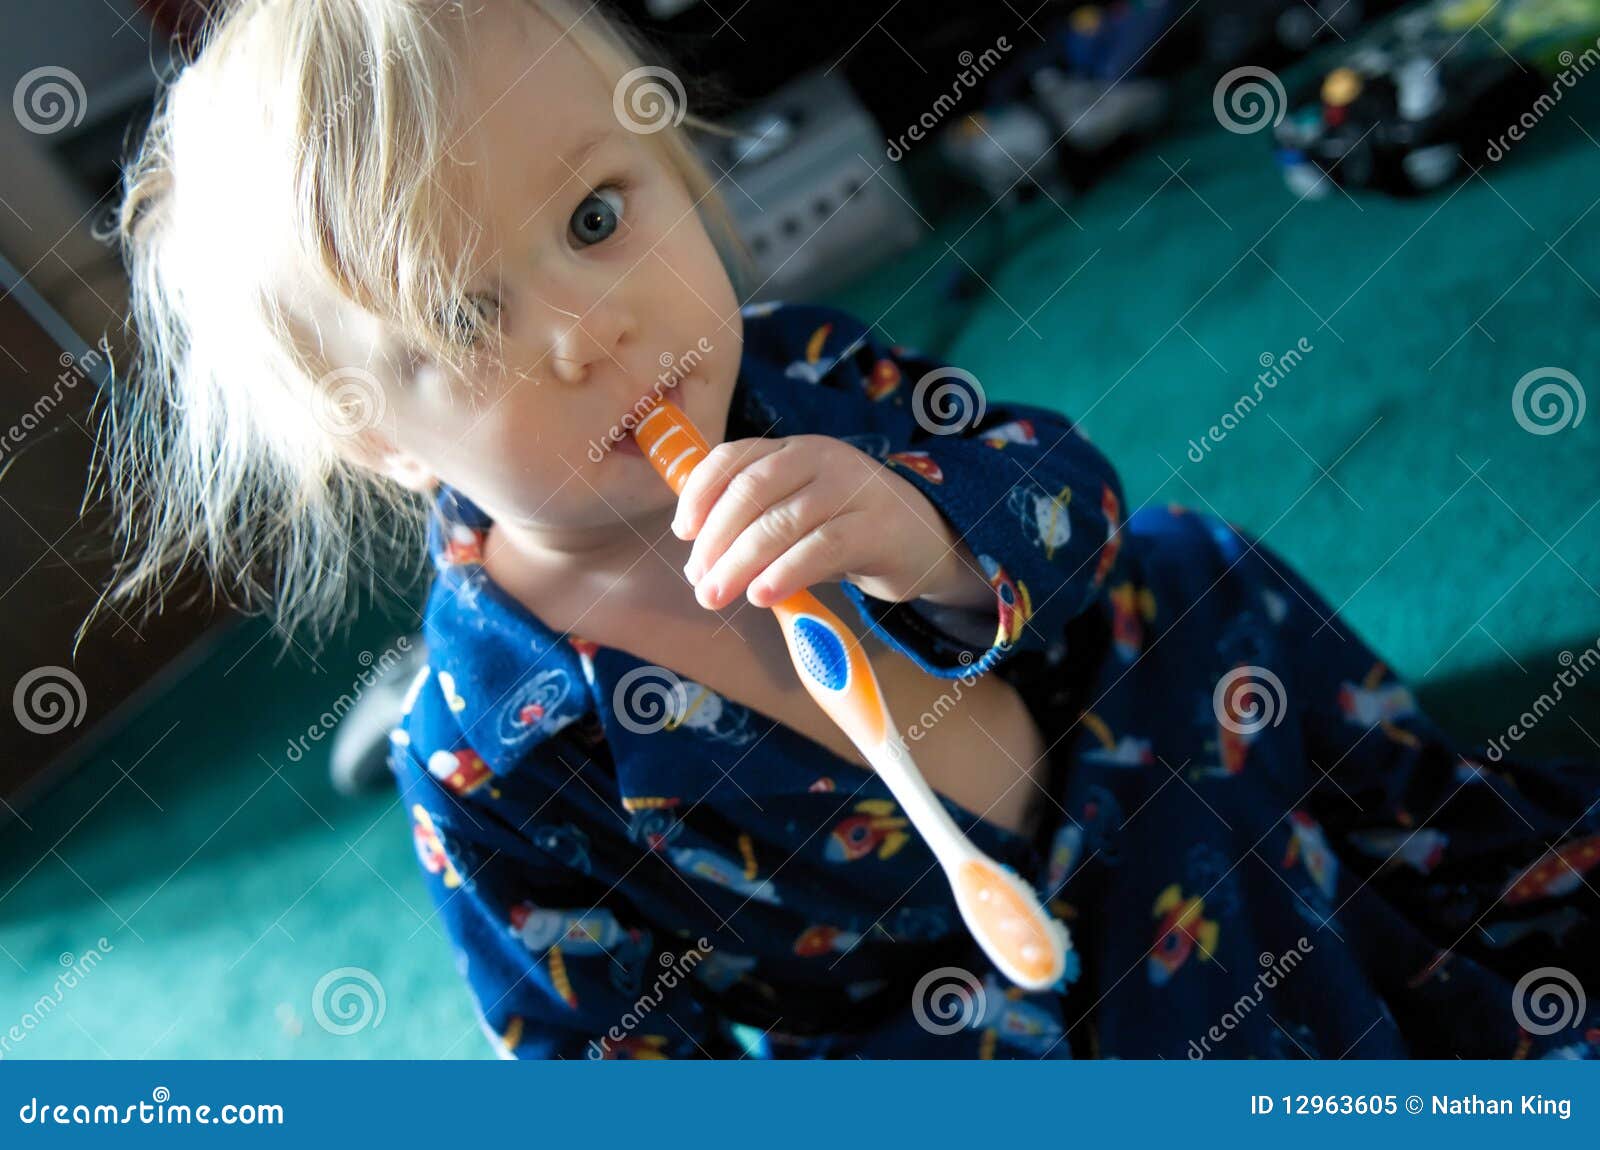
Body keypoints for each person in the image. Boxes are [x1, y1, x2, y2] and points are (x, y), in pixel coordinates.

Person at [94, 0, 1599, 1058]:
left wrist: (927, 539)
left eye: (601, 217)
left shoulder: (808, 371)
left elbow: (1063, 496)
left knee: (1199, 580)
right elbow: (599, 1046)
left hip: (1127, 722)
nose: (588, 334)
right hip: (946, 999)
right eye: (470, 315)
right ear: (370, 430)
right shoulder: (488, 758)